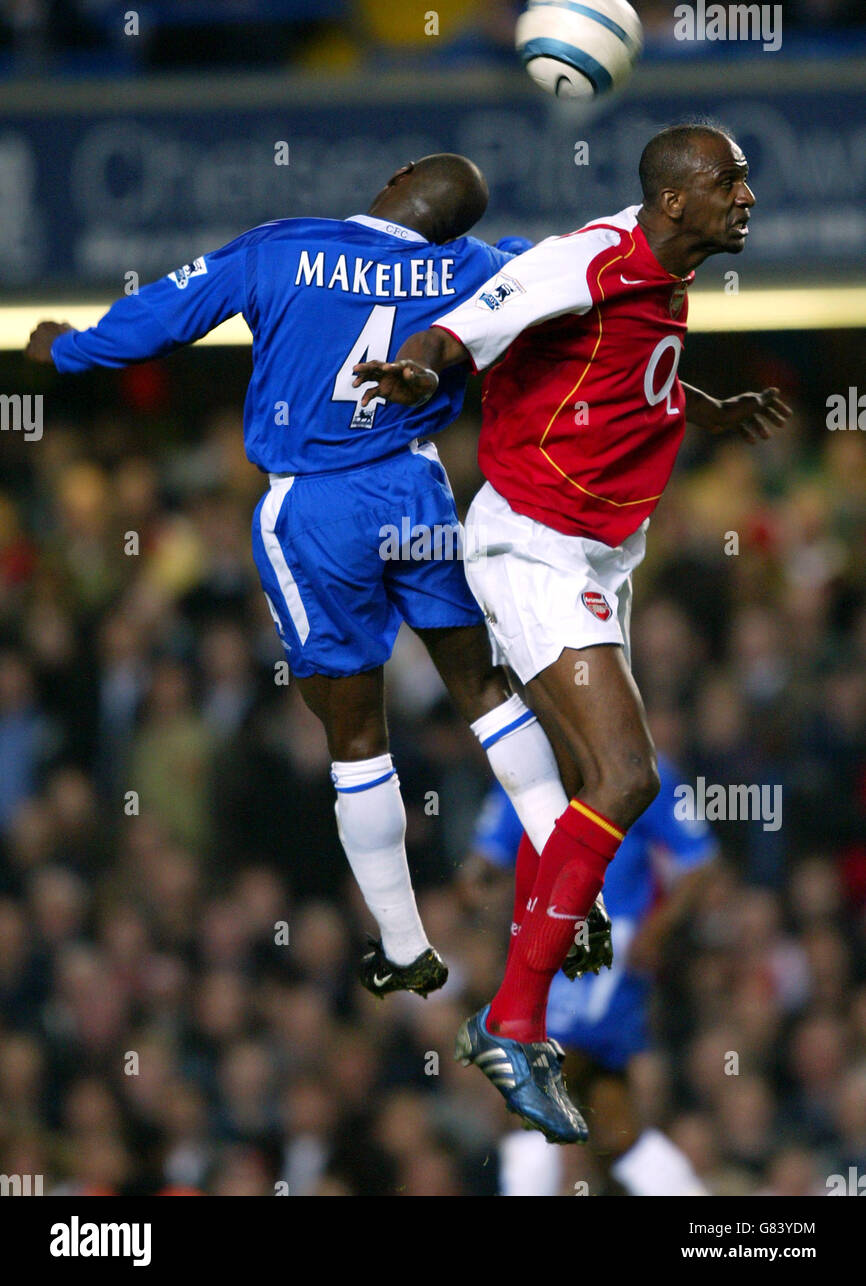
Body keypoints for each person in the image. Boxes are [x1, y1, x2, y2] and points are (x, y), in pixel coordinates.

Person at [24, 157, 606, 1070]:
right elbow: (577, 285)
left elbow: (161, 321)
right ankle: (574, 882)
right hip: (415, 486)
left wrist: (68, 348)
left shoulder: (283, 249)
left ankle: (408, 949)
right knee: (484, 689)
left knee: (353, 731)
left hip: (313, 507)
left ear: (398, 178)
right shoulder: (476, 267)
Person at [352, 123, 792, 1135]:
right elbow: (465, 326)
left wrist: (698, 407)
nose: (746, 197)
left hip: (595, 555)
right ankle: (510, 1020)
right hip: (530, 543)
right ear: (672, 201)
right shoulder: (583, 258)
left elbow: (603, 383)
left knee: (589, 776)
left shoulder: (658, 278)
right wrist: (421, 370)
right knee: (625, 776)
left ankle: (530, 976)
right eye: (729, 182)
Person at [464, 752, 717, 1195]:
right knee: (612, 1123)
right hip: (542, 951)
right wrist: (478, 892)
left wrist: (657, 929)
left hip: (608, 949)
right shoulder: (525, 766)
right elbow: (484, 863)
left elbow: (699, 861)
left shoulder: (636, 764)